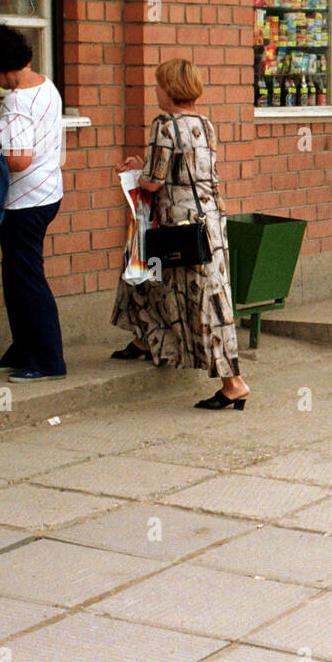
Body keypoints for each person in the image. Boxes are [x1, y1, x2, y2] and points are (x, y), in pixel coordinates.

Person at [111, 59, 251, 410]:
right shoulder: (204, 123)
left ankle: (233, 383)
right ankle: (147, 341)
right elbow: (184, 168)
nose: (155, 91)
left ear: (170, 90)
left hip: (177, 225)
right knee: (152, 278)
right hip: (209, 224)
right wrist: (144, 167)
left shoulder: (164, 124)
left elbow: (155, 181)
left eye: (158, 85)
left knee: (202, 301)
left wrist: (136, 175)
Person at [0, 23, 67, 383]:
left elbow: (18, 159)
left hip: (24, 201)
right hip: (46, 193)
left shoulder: (15, 101)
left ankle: (48, 359)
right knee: (17, 277)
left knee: (27, 279)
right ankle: (24, 349)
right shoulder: (46, 85)